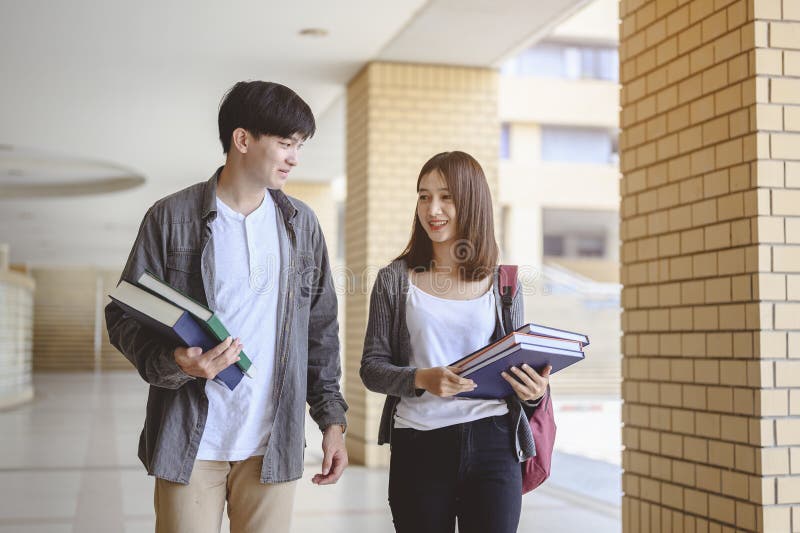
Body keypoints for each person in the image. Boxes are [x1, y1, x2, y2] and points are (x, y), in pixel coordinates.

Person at [106, 81, 348, 533]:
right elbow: (122, 315)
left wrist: (331, 421)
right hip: (190, 439)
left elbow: (321, 330)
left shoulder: (302, 226)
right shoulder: (170, 217)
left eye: (298, 146)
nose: (294, 157)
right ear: (242, 140)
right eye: (284, 143)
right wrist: (175, 363)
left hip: (271, 443)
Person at [359, 151, 551, 533]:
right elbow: (372, 368)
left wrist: (534, 391)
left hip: (495, 442)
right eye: (424, 196)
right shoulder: (394, 280)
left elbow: (517, 362)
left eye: (447, 196)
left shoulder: (504, 281)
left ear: (472, 201)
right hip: (419, 442)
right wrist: (421, 379)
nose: (433, 209)